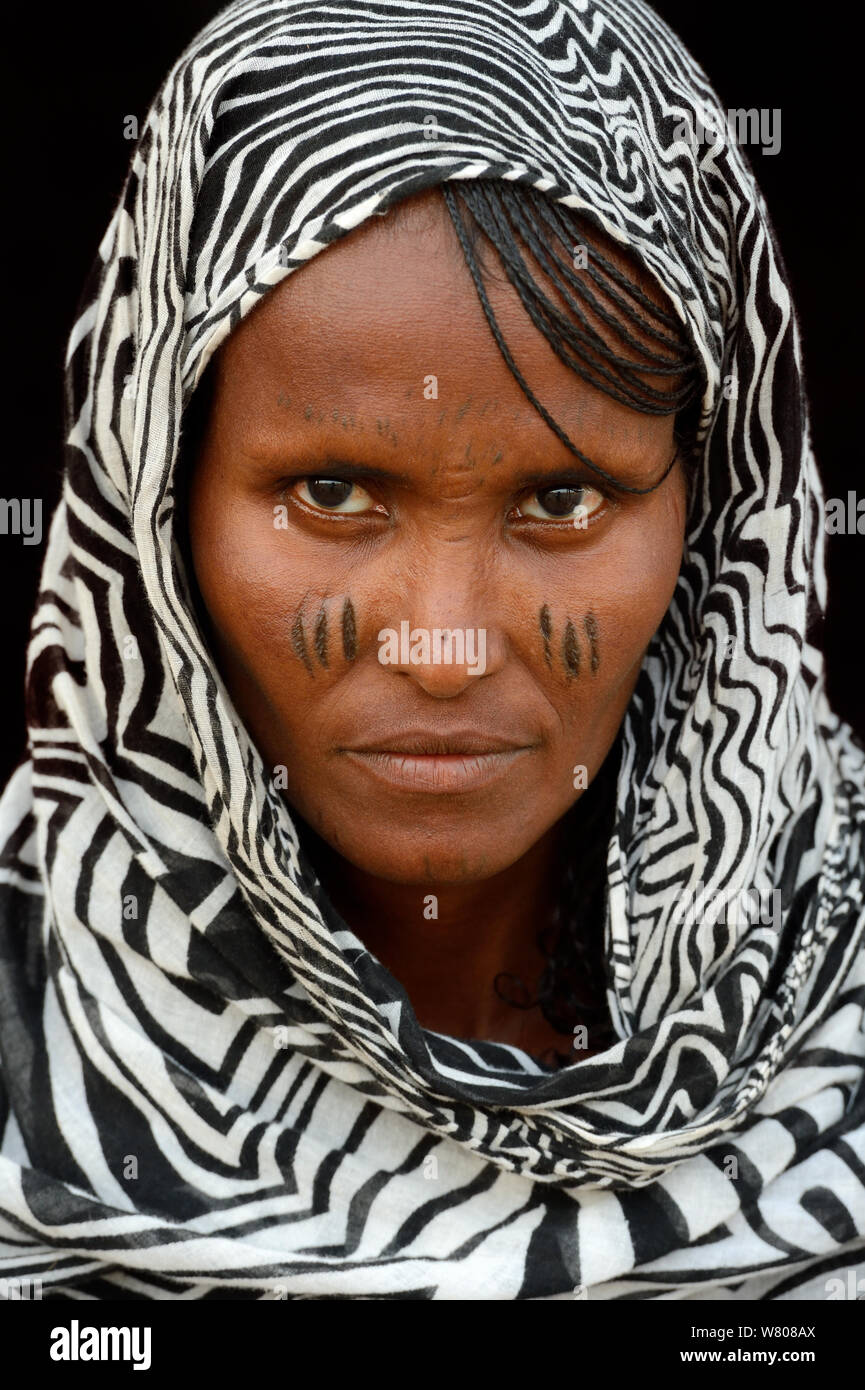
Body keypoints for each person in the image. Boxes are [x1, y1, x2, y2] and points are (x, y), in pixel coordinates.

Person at [0, 0, 861, 1301]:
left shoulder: (834, 967)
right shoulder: (32, 1020)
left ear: (710, 513)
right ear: (159, 504)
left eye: (561, 501)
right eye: (333, 492)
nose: (443, 640)